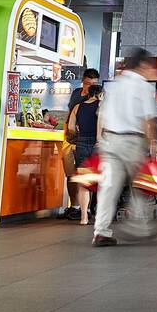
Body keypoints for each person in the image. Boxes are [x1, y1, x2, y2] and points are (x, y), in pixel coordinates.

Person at [92, 48, 157, 246]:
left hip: (110, 140)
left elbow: (102, 115)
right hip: (131, 141)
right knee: (140, 185)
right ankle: (139, 226)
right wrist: (154, 144)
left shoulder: (115, 85)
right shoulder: (141, 86)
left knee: (108, 188)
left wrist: (101, 139)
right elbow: (148, 120)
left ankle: (101, 231)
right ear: (142, 65)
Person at [66, 84, 102, 225]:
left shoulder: (77, 107)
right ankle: (99, 215)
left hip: (81, 144)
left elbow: (70, 127)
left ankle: (83, 217)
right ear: (99, 94)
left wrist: (78, 134)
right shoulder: (101, 106)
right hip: (97, 144)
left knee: (84, 182)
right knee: (99, 181)